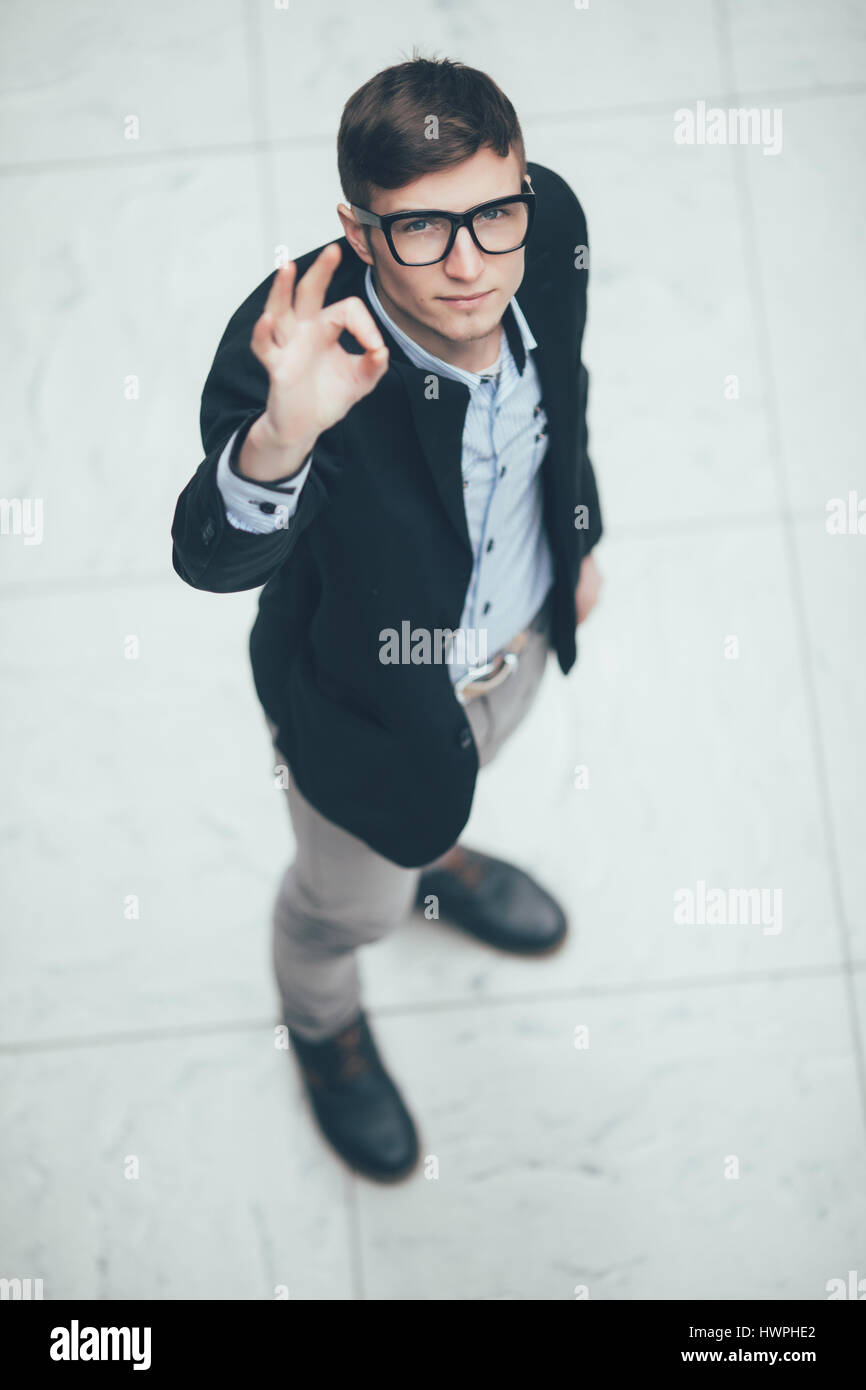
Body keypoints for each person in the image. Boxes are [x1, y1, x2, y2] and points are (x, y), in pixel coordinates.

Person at [171, 54, 603, 1183]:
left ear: (519, 186)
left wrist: (578, 538)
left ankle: (437, 853)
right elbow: (209, 555)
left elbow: (567, 394)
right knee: (334, 912)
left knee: (450, 780)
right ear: (357, 232)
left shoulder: (544, 226)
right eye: (418, 230)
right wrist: (283, 439)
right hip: (360, 702)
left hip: (511, 642)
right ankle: (325, 1032)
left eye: (490, 214)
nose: (468, 265)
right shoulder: (297, 345)